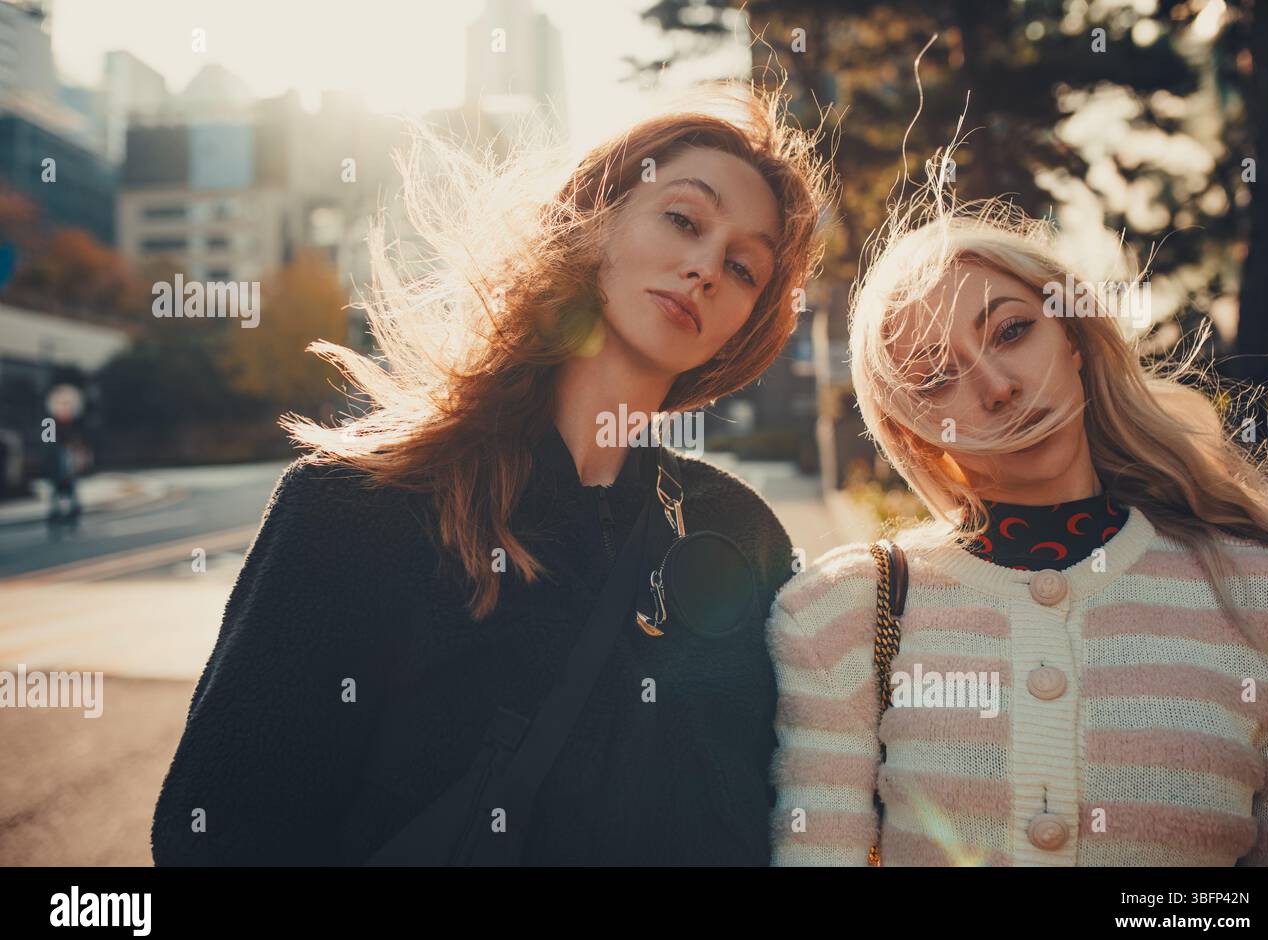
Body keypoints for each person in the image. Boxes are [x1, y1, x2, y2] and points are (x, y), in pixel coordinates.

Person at [151, 82, 834, 865]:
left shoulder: (738, 534)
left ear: (745, 329)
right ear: (595, 219)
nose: (707, 266)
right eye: (683, 218)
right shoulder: (357, 506)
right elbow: (214, 834)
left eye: (745, 268)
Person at [768, 189, 1268, 866]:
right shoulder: (836, 616)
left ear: (1073, 338)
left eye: (1013, 331)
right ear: (915, 435)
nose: (997, 387)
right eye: (935, 378)